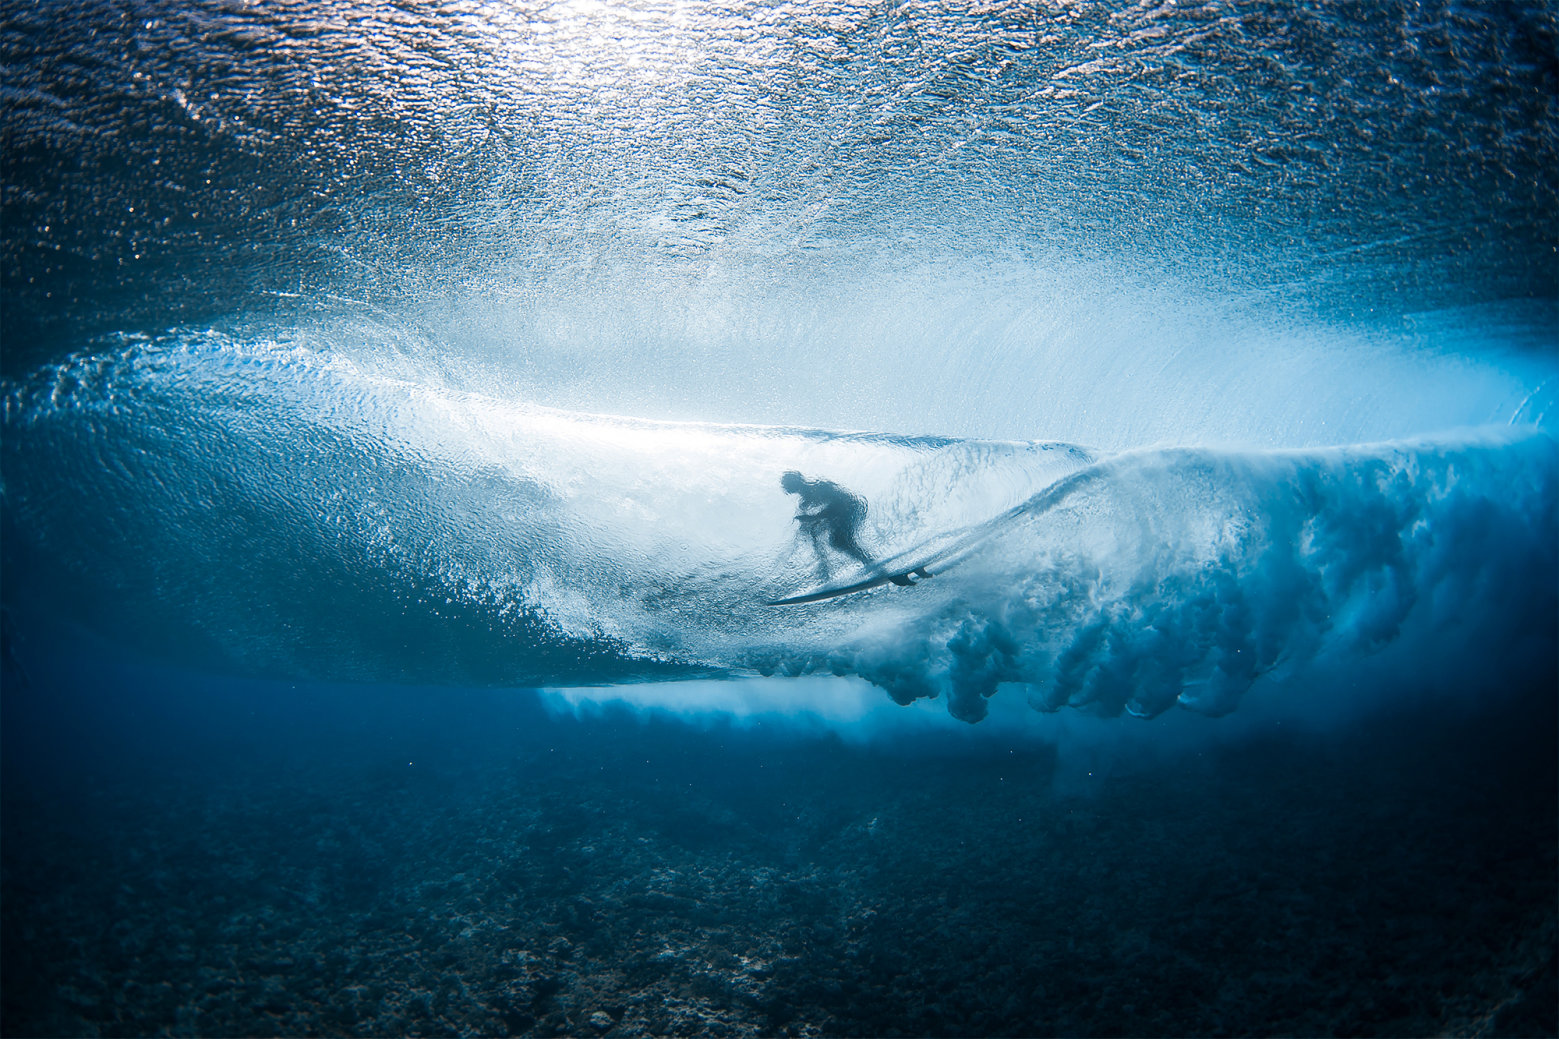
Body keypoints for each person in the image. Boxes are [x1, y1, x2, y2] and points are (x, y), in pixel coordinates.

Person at [781, 470, 876, 581]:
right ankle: (825, 572)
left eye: (786, 484)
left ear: (795, 481)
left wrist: (814, 518)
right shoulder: (805, 502)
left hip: (852, 506)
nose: (784, 487)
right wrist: (807, 525)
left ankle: (871, 563)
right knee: (815, 533)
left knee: (839, 541)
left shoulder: (818, 486)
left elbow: (840, 503)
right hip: (839, 513)